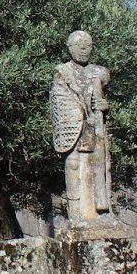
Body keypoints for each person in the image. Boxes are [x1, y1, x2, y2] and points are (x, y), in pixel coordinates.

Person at [50, 29, 112, 223]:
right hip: (73, 127)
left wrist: (103, 105)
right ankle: (75, 212)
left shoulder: (98, 72)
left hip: (94, 127)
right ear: (70, 49)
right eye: (79, 46)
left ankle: (102, 209)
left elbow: (102, 99)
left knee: (98, 164)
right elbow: (59, 101)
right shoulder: (63, 71)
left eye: (88, 46)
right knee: (73, 164)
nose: (84, 50)